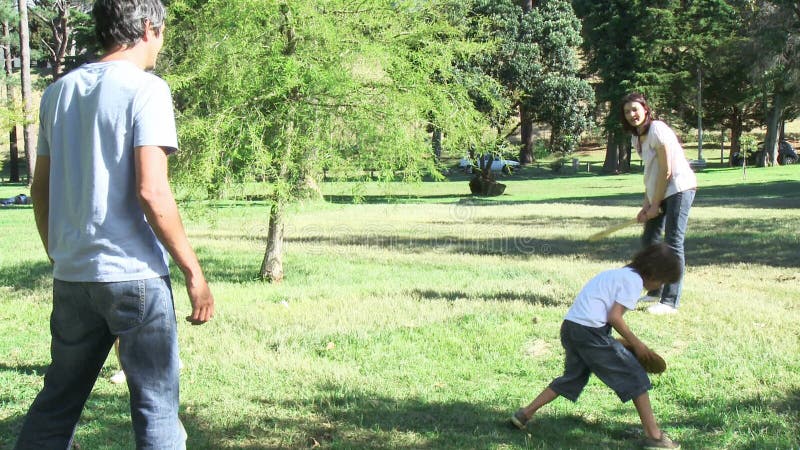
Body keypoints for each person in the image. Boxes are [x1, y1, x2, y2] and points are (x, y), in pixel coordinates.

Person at [16, 0, 215, 448]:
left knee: (57, 403)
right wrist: (194, 272)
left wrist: (58, 252)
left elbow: (40, 188)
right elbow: (152, 191)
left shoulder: (57, 93)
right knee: (157, 409)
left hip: (74, 277)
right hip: (135, 279)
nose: (160, 45)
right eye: (161, 33)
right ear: (148, 28)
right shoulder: (147, 90)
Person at [510, 243, 683, 450]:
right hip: (590, 333)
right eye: (662, 280)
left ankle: (524, 414)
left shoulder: (620, 274)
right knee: (635, 375)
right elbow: (614, 317)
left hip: (571, 327)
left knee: (573, 377)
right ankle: (654, 436)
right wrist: (638, 345)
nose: (659, 285)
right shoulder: (634, 281)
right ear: (655, 273)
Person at [621, 92, 697, 315]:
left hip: (679, 188)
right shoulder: (637, 137)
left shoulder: (657, 129)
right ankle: (655, 288)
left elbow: (666, 170)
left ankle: (670, 301)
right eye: (627, 112)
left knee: (673, 243)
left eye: (635, 109)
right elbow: (651, 173)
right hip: (660, 192)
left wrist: (655, 205)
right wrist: (646, 204)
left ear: (645, 108)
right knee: (649, 240)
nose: (631, 114)